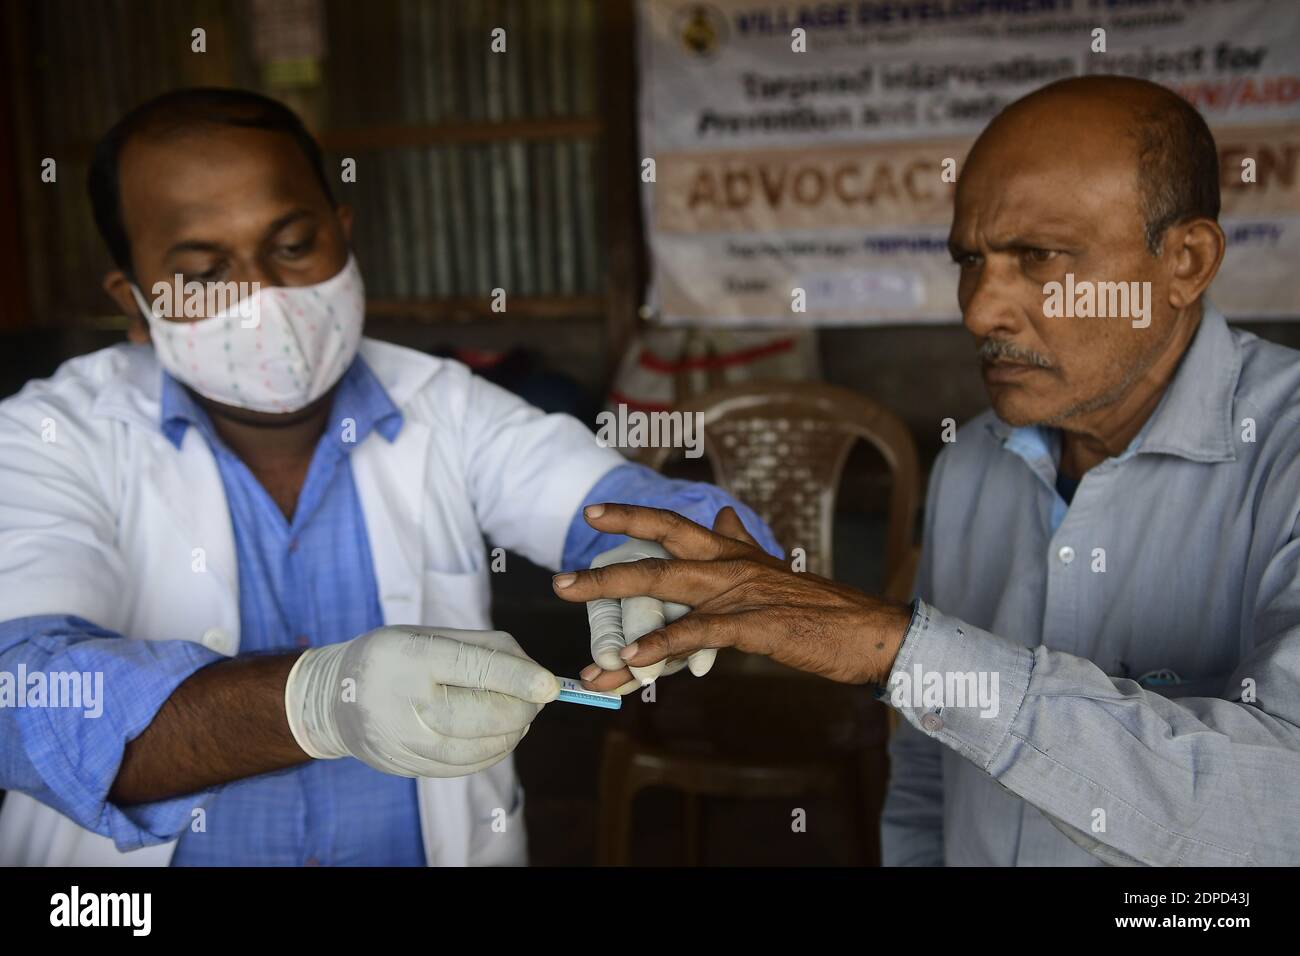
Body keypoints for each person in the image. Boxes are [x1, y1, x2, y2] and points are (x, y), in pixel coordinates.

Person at [0, 88, 777, 866]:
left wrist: (665, 560)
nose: (262, 296)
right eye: (203, 273)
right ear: (134, 305)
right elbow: (23, 694)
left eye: (294, 244)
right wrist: (314, 704)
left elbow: (612, 501)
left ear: (343, 237)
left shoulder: (446, 406)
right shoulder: (49, 436)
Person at [554, 76, 1300, 865]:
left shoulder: (1282, 455)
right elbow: (925, 766)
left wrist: (899, 650)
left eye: (1039, 257)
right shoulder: (975, 461)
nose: (980, 311)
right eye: (970, 259)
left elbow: (1280, 810)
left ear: (1185, 261)